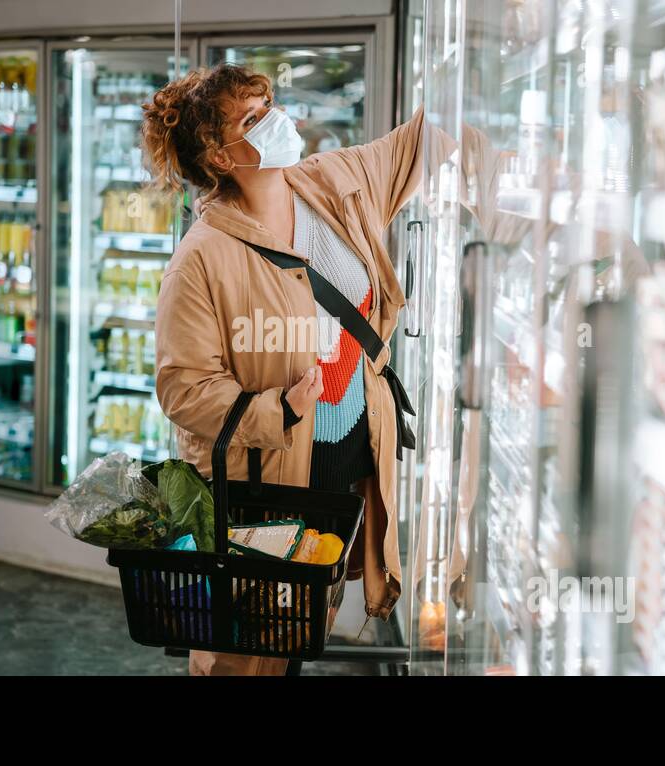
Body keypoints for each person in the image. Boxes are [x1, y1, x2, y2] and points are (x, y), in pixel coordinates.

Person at [141, 63, 423, 676]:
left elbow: (415, 146)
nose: (276, 121)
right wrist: (281, 409)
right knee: (250, 652)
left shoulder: (327, 184)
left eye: (269, 104)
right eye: (252, 119)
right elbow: (184, 387)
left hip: (340, 473)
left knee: (300, 632)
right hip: (266, 491)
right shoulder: (200, 259)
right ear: (218, 156)